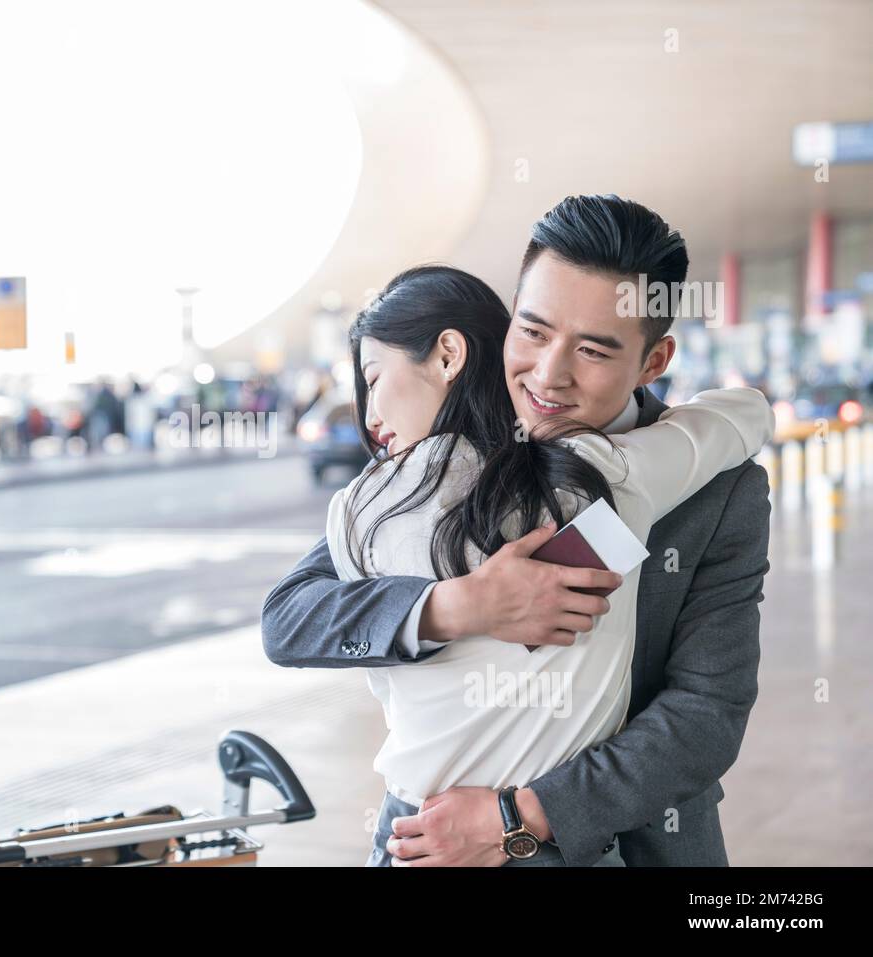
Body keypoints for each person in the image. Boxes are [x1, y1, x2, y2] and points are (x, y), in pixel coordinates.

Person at [262, 195, 774, 867]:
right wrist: (459, 605)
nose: (547, 374)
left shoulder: (720, 485)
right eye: (532, 332)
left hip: (629, 844)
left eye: (592, 350)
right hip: (422, 837)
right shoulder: (444, 447)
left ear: (653, 362)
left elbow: (707, 711)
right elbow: (292, 619)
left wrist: (515, 815)